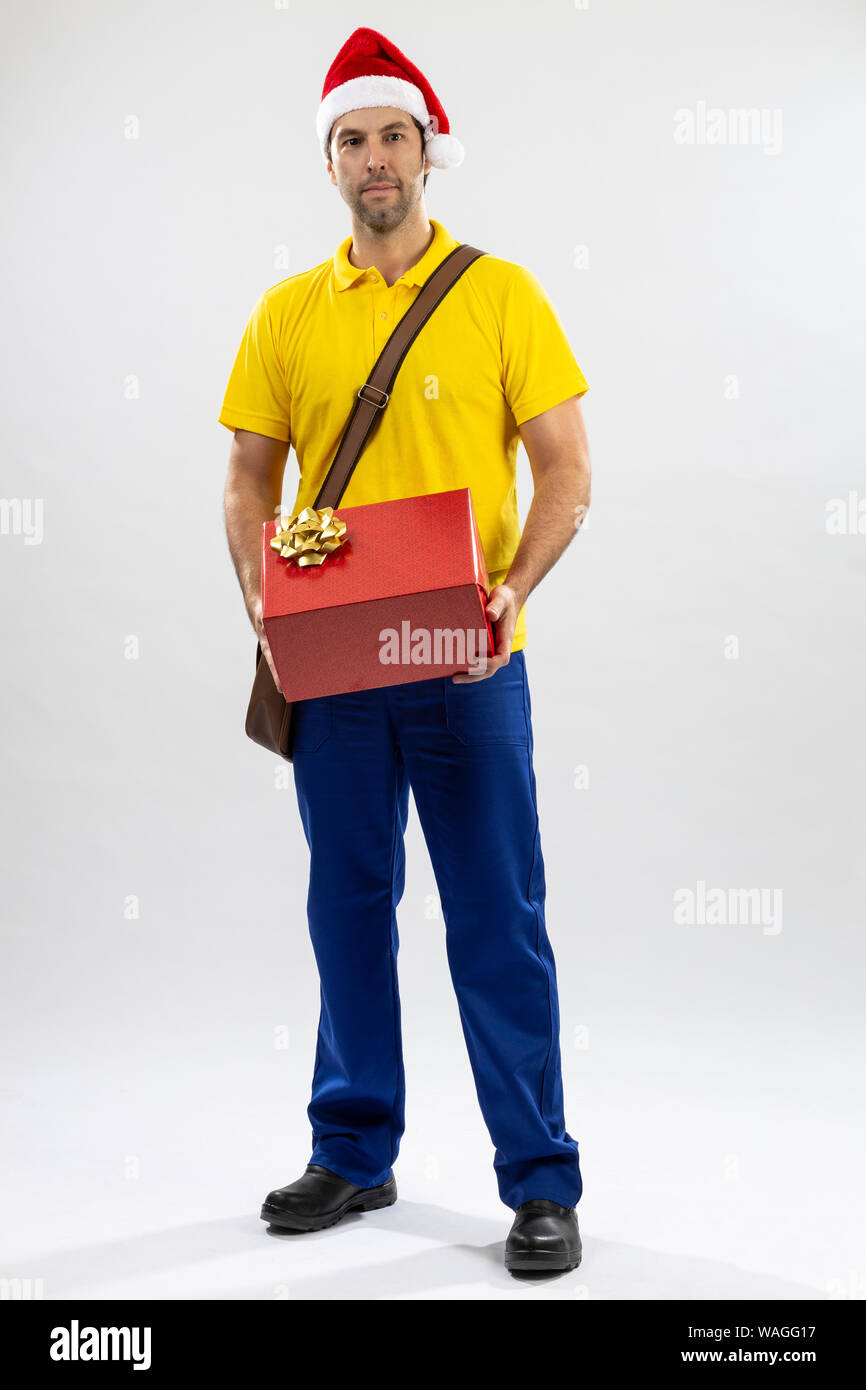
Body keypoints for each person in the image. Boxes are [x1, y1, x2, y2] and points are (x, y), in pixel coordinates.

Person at [219, 26, 592, 1276]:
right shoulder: (286, 313)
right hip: (332, 670)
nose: (372, 158)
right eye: (348, 140)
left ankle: (539, 1180)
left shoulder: (500, 295)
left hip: (465, 663)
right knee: (347, 906)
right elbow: (244, 482)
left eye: (390, 135)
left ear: (426, 152)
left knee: (497, 916)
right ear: (328, 166)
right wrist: (263, 608)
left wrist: (512, 589)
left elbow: (566, 470)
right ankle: (352, 1150)